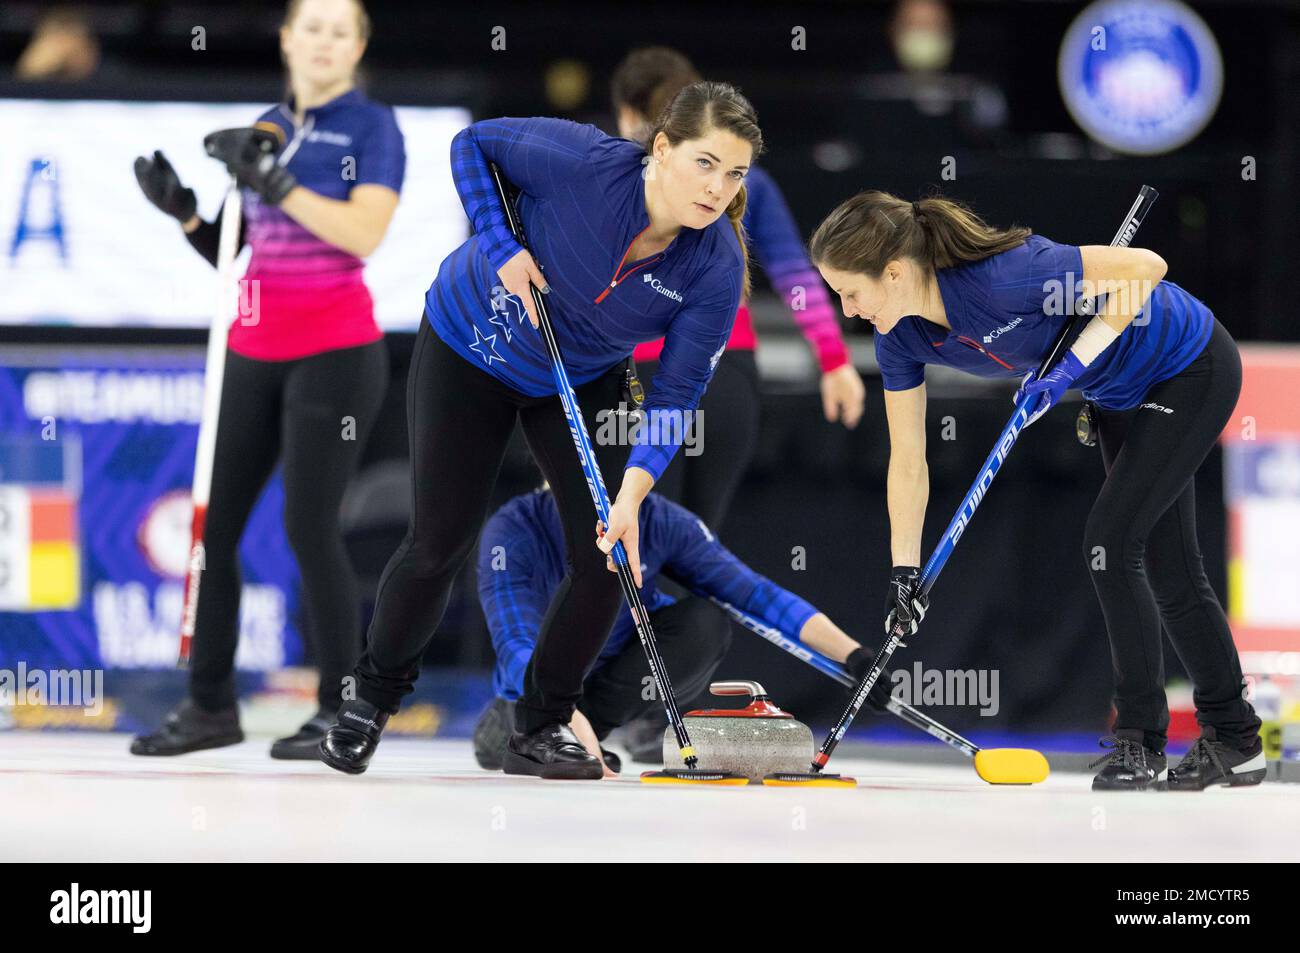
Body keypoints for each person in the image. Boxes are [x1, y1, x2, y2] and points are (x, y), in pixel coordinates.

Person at [317, 82, 765, 781]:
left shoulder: (714, 266)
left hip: (578, 378)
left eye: (734, 174)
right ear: (663, 148)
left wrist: (635, 491)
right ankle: (370, 699)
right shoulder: (585, 163)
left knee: (609, 552)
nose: (718, 188)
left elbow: (677, 393)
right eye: (705, 163)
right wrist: (499, 243)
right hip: (471, 344)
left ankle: (540, 723)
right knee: (438, 541)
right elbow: (472, 146)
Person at [810, 190, 1265, 791]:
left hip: (1187, 365)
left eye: (850, 292)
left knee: (1111, 540)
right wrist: (904, 572)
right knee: (1168, 565)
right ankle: (1236, 742)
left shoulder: (1006, 277)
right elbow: (908, 461)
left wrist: (1070, 370)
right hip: (1120, 395)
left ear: (893, 272)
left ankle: (1141, 742)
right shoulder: (901, 339)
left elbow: (1146, 268)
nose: (846, 310)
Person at [129, 0, 403, 759]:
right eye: (309, 27)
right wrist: (187, 216)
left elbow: (364, 232)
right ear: (286, 39)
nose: (322, 41)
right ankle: (210, 704)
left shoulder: (372, 128)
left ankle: (337, 710)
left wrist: (275, 182)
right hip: (253, 348)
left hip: (337, 352)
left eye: (338, 30)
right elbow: (239, 252)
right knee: (214, 528)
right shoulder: (268, 126)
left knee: (309, 529)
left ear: (357, 46)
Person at [611, 48, 865, 529]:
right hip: (726, 375)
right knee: (696, 550)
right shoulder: (746, 181)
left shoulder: (611, 179)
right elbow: (794, 278)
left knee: (636, 550)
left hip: (637, 378)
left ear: (628, 114)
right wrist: (833, 358)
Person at [471, 488, 882, 776]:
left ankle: (591, 726)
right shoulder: (513, 530)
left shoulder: (658, 520)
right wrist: (552, 713)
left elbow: (756, 595)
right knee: (517, 730)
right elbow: (515, 642)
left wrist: (854, 656)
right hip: (536, 690)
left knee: (703, 624)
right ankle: (528, 727)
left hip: (604, 679)